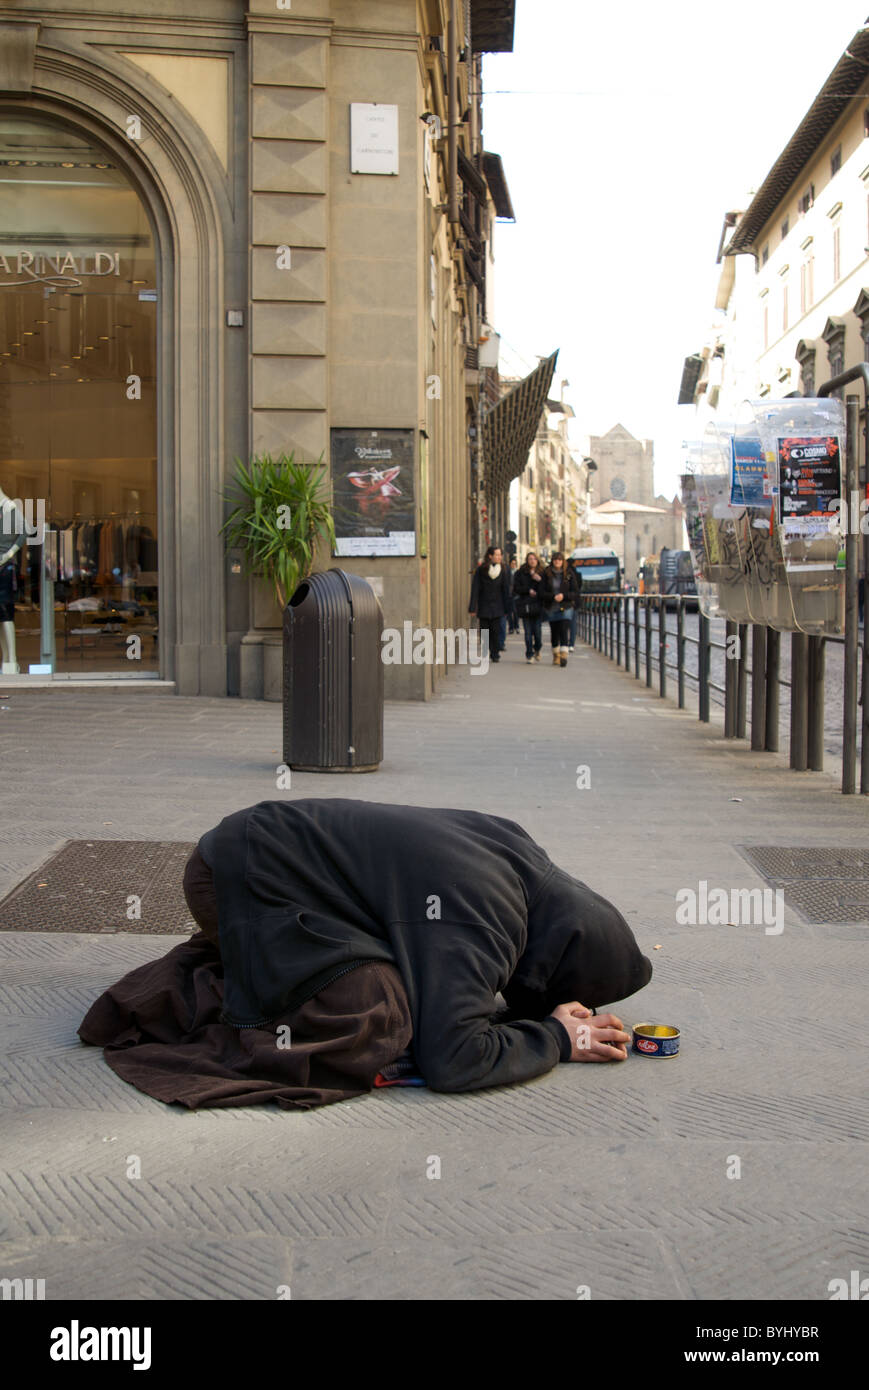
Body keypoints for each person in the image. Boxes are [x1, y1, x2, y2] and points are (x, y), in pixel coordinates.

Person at [80, 800, 653, 1106]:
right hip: (240, 880)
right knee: (376, 1011)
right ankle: (199, 989)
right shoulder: (484, 915)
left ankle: (243, 960)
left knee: (392, 985)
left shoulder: (521, 865)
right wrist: (554, 1037)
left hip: (262, 855)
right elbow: (453, 1057)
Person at [469, 544, 511, 663]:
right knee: (484, 630)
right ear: (490, 556)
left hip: (498, 605)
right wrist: (472, 607)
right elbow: (475, 589)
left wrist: (508, 608)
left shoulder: (503, 570)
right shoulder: (481, 570)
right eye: (496, 555)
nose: (499, 557)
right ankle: (485, 651)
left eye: (500, 555)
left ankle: (495, 653)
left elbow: (506, 589)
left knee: (496, 630)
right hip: (484, 605)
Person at [543, 550, 581, 667]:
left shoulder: (568, 574)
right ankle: (556, 655)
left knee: (564, 629)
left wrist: (564, 596)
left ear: (563, 561)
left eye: (559, 559)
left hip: (566, 606)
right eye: (555, 559)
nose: (557, 562)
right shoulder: (547, 573)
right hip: (552, 606)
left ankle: (564, 654)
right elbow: (542, 591)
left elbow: (575, 591)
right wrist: (553, 597)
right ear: (552, 561)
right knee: (554, 631)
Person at [512, 550, 546, 663]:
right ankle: (529, 654)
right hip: (525, 605)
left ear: (538, 560)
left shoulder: (543, 573)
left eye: (534, 559)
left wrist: (540, 581)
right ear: (527, 561)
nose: (532, 561)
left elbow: (547, 589)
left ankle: (537, 649)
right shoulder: (521, 572)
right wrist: (528, 590)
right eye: (530, 559)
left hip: (538, 605)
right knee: (527, 633)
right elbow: (516, 588)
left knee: (537, 633)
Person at [567, 558, 583, 651]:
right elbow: (579, 588)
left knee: (565, 623)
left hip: (565, 600)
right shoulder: (578, 574)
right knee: (573, 623)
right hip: (575, 601)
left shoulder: (565, 574)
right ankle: (571, 644)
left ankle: (564, 641)